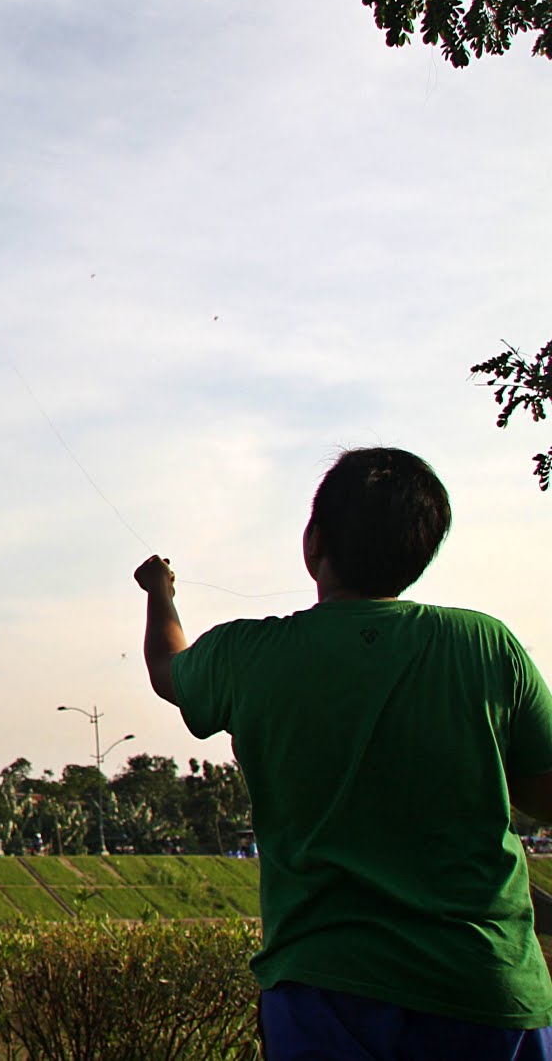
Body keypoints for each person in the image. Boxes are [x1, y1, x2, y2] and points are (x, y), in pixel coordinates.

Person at [134, 447, 552, 1060]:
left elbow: (168, 668)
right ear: (422, 551)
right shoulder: (486, 646)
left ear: (313, 543)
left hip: (322, 998)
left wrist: (159, 593)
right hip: (484, 990)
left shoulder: (249, 656)